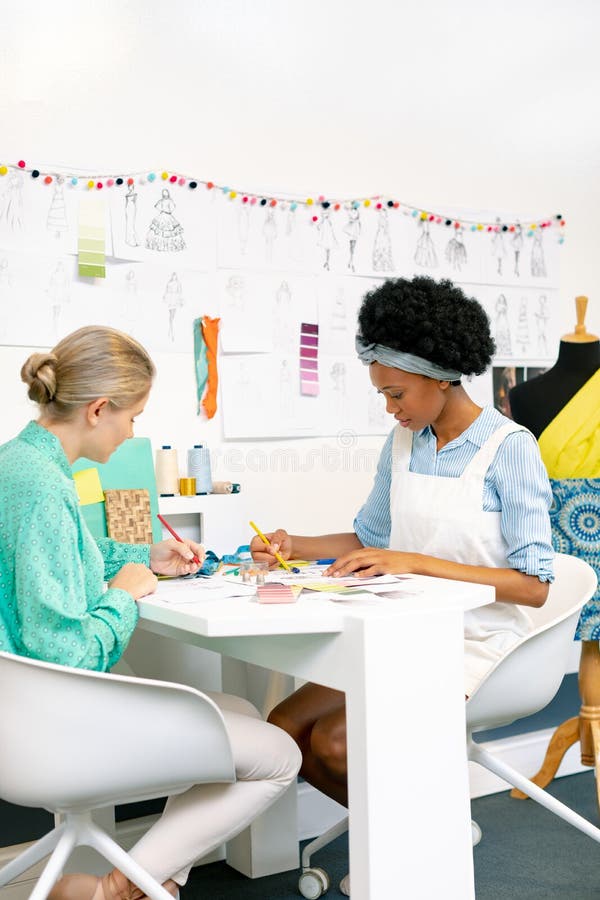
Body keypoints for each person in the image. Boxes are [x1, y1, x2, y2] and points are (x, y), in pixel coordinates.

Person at [250, 276, 554, 897]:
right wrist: (293, 545)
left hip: (477, 643)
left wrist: (416, 562)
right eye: (384, 396)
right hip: (400, 630)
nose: (391, 408)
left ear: (441, 374)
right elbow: (367, 537)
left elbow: (533, 587)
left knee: (334, 742)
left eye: (397, 393)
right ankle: (417, 836)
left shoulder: (509, 449)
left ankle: (409, 850)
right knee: (282, 725)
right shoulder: (405, 442)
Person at [0, 325, 301, 900]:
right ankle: (117, 891)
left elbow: (66, 557)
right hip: (56, 725)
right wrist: (125, 595)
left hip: (19, 714)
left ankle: (128, 882)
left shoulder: (18, 465)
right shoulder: (44, 489)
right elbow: (63, 650)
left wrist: (145, 558)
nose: (133, 431)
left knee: (236, 708)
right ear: (98, 410)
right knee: (280, 754)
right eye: (133, 416)